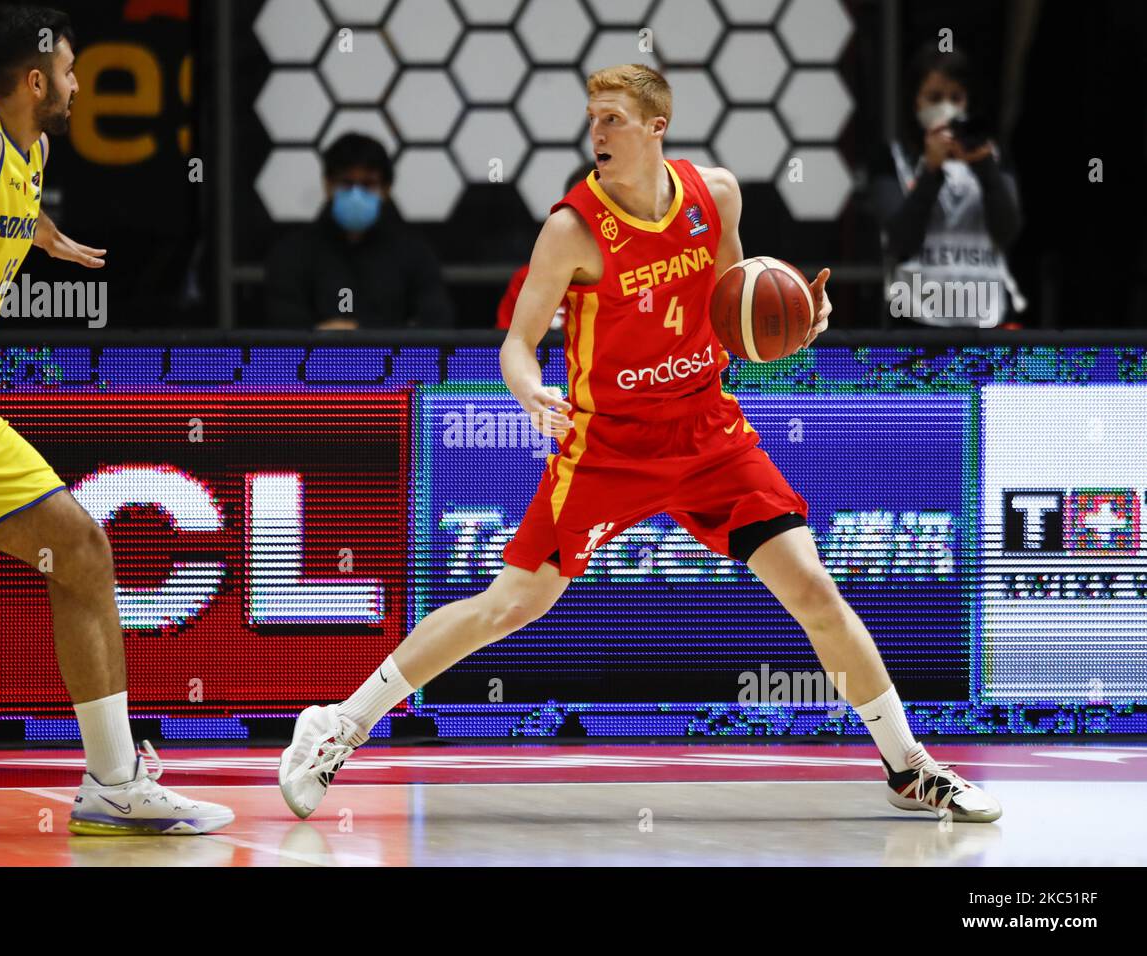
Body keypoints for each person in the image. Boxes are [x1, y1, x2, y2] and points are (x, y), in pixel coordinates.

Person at [279, 65, 1002, 824]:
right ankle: (337, 725)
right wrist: (529, 390)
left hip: (705, 432)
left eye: (614, 118)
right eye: (593, 118)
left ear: (658, 126)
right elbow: (517, 344)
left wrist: (796, 328)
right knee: (510, 605)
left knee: (813, 589)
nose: (598, 132)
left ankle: (909, 766)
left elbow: (734, 315)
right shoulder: (572, 230)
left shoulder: (715, 196)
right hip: (608, 448)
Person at [0, 5, 232, 835]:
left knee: (84, 553)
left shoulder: (30, 156)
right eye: (69, 71)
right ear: (35, 78)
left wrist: (42, 232)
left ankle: (112, 781)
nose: (78, 84)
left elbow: (0, 210)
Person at [871, 43, 1025, 328]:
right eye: (935, 97)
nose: (947, 107)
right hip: (916, 325)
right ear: (915, 101)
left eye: (956, 97)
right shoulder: (893, 159)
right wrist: (931, 171)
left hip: (985, 325)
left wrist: (984, 169)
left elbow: (1008, 230)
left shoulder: (993, 156)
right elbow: (900, 240)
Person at [264, 133, 453, 330]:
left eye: (368, 184)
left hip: (391, 360)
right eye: (346, 183)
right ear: (328, 185)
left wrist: (362, 333)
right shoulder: (293, 253)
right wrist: (319, 338)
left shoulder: (414, 252)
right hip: (317, 360)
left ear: (386, 189)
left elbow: (436, 323)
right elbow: (282, 329)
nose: (356, 194)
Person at [496, 161, 598, 331]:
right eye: (577, 209)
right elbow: (506, 350)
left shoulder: (641, 279)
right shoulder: (529, 280)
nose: (587, 219)